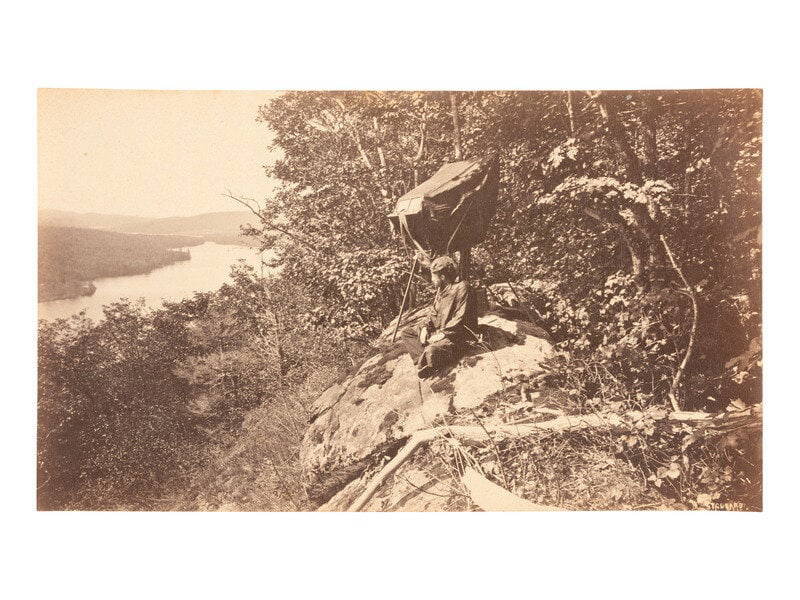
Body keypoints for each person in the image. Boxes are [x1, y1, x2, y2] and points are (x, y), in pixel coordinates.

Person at [401, 255, 478, 378]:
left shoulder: (462, 287)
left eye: (433, 276)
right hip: (440, 333)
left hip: (457, 336)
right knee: (407, 333)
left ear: (442, 277)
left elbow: (460, 317)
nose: (432, 279)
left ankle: (429, 359)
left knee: (432, 350)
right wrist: (425, 327)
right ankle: (425, 360)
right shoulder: (441, 290)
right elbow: (433, 314)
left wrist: (442, 334)